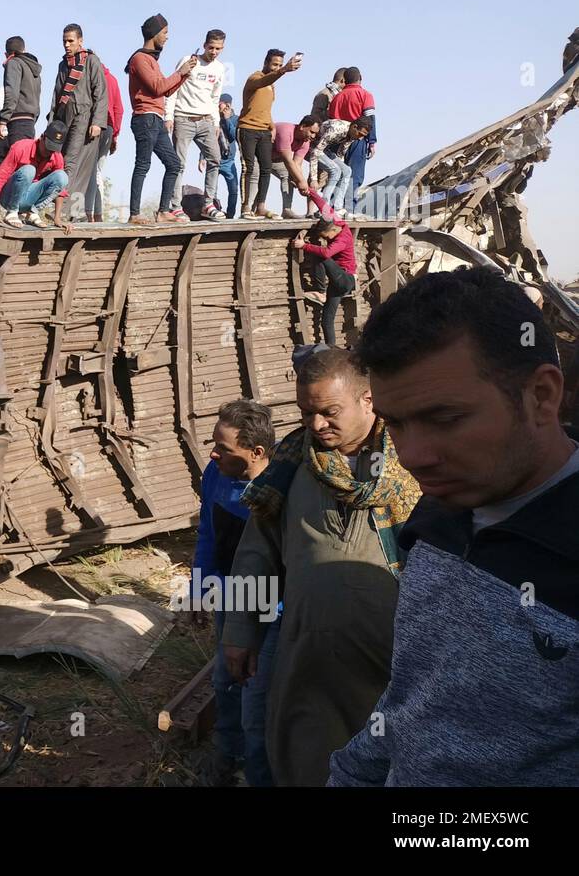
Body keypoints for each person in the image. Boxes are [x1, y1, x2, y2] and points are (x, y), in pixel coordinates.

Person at [330, 268, 579, 786]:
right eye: (395, 423)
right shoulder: (438, 516)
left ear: (541, 395)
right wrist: (350, 775)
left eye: (444, 419)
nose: (414, 456)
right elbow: (418, 693)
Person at [221, 347, 421, 787]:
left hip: (394, 658)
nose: (315, 425)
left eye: (329, 412)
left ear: (368, 400)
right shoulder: (290, 468)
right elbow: (256, 555)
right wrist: (240, 632)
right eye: (305, 412)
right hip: (307, 653)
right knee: (304, 756)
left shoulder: (416, 459)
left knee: (394, 759)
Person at [195, 399, 278, 787]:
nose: (213, 453)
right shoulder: (214, 474)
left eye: (223, 448)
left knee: (258, 703)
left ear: (256, 452)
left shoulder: (281, 488)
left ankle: (261, 774)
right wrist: (201, 587)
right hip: (229, 598)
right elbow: (208, 534)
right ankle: (229, 756)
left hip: (272, 608)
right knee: (224, 683)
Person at [125, 15, 192, 224]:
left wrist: (184, 75)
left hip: (157, 118)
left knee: (173, 164)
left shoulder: (151, 60)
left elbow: (167, 91)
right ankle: (134, 214)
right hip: (145, 118)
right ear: (154, 34)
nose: (167, 37)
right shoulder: (140, 59)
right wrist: (179, 72)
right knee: (143, 164)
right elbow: (157, 87)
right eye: (164, 33)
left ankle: (163, 211)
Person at [164, 28, 228, 220]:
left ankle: (208, 205)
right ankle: (175, 206)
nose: (214, 52)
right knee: (178, 164)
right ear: (204, 45)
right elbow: (174, 87)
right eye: (211, 47)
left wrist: (216, 122)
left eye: (219, 48)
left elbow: (215, 96)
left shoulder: (220, 68)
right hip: (184, 118)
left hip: (206, 120)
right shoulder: (189, 61)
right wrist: (169, 116)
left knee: (215, 159)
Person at [49, 24, 107, 221]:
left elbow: (100, 92)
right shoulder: (63, 64)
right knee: (63, 162)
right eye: (64, 41)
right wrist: (52, 122)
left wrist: (98, 122)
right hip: (65, 117)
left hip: (84, 117)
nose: (67, 45)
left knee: (72, 164)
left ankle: (62, 210)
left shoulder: (91, 61)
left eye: (71, 41)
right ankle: (74, 213)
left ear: (80, 41)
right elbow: (57, 94)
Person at [238, 49, 302, 218]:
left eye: (280, 65)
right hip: (247, 129)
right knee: (249, 168)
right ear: (266, 63)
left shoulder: (272, 86)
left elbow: (264, 108)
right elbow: (265, 80)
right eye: (274, 64)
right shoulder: (255, 78)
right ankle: (245, 207)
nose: (277, 68)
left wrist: (272, 125)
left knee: (266, 168)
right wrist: (284, 70)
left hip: (264, 131)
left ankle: (260, 206)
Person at [293, 191, 356, 346]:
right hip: (337, 283)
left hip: (345, 279)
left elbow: (327, 252)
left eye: (326, 236)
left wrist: (304, 246)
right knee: (326, 320)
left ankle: (321, 291)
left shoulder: (343, 238)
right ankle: (331, 349)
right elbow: (323, 205)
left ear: (333, 230)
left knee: (322, 254)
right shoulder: (335, 221)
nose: (325, 239)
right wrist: (309, 192)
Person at [0, 122, 71, 230]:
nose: (49, 152)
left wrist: (57, 218)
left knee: (62, 176)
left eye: (53, 149)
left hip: (28, 198)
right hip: (8, 196)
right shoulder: (21, 147)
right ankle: (12, 212)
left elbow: (60, 189)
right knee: (29, 170)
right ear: (42, 137)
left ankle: (32, 212)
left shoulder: (56, 156)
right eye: (48, 147)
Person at [328, 67, 378, 208]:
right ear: (360, 78)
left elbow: (332, 120)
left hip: (337, 141)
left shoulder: (337, 97)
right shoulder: (365, 95)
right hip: (358, 140)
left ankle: (332, 209)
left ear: (345, 80)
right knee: (355, 177)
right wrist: (372, 142)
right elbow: (370, 120)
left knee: (337, 175)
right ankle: (349, 210)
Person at [0, 36, 43, 166]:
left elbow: (11, 93)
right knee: (25, 165)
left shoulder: (14, 63)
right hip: (30, 123)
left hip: (17, 122)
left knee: (13, 168)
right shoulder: (35, 70)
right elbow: (38, 98)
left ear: (6, 54)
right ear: (24, 49)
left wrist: (3, 120)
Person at [86, 62, 124, 222]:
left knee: (90, 170)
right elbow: (119, 110)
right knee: (98, 172)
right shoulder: (113, 79)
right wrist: (115, 134)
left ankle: (88, 213)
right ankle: (98, 214)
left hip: (95, 126)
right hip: (108, 128)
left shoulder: (89, 76)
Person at [270, 115, 321, 218]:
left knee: (289, 177)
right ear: (302, 126)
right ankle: (252, 211)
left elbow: (297, 163)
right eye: (311, 132)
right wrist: (301, 181)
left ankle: (286, 210)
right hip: (258, 156)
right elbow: (288, 160)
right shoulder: (286, 131)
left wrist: (300, 183)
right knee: (256, 178)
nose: (313, 136)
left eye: (315, 134)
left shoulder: (305, 142)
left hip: (275, 159)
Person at [215, 93, 240, 219]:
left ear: (228, 104)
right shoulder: (213, 117)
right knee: (211, 189)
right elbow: (208, 138)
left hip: (229, 161)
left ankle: (230, 215)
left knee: (234, 189)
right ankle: (214, 212)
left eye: (221, 103)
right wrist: (201, 158)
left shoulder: (235, 119)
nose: (219, 105)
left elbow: (233, 136)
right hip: (214, 158)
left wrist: (226, 119)